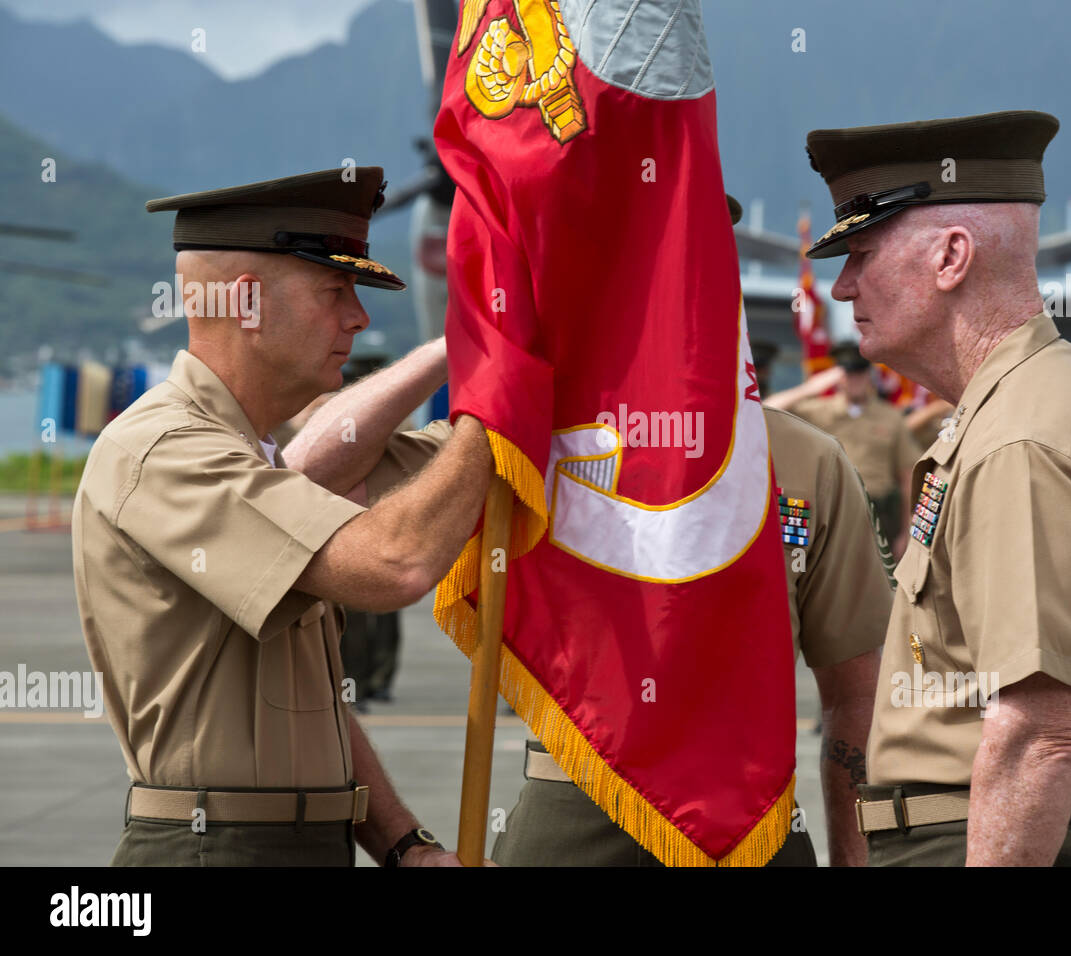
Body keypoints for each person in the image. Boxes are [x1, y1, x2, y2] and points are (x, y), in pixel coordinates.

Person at [72, 167, 494, 866]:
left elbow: (316, 709)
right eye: (335, 291)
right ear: (244, 302)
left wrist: (401, 843)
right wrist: (496, 408)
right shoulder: (162, 452)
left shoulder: (254, 456)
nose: (358, 316)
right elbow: (396, 563)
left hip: (302, 843)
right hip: (217, 849)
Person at [488, 202, 896, 868]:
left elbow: (856, 692)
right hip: (572, 824)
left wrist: (854, 861)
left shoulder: (806, 461)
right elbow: (357, 515)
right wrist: (472, 358)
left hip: (749, 829)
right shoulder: (527, 445)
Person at [803, 110, 1071, 865]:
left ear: (951, 257)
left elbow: (1038, 736)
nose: (840, 288)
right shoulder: (1015, 411)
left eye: (861, 253)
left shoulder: (1023, 438)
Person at [766, 341, 922, 557]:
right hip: (831, 511)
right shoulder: (819, 411)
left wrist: (906, 533)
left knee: (879, 586)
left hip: (878, 514)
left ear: (869, 375)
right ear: (838, 376)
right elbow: (769, 410)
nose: (855, 380)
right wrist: (810, 388)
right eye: (849, 373)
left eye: (860, 372)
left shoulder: (890, 416)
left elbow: (907, 476)